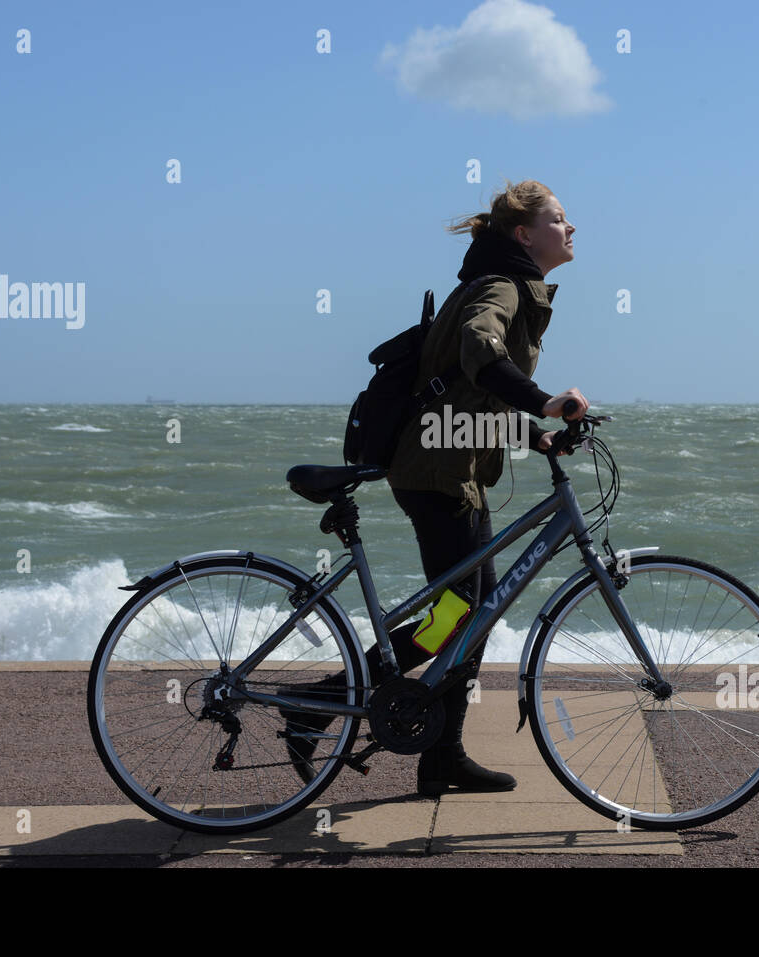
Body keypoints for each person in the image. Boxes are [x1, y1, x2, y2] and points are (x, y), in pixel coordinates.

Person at [285, 179, 590, 795]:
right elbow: (482, 349)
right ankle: (317, 706)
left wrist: (537, 436)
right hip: (435, 471)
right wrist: (544, 400)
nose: (572, 228)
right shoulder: (500, 287)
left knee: (470, 611)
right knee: (458, 614)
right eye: (559, 219)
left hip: (452, 468)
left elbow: (466, 392)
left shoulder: (508, 284)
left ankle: (443, 754)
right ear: (523, 234)